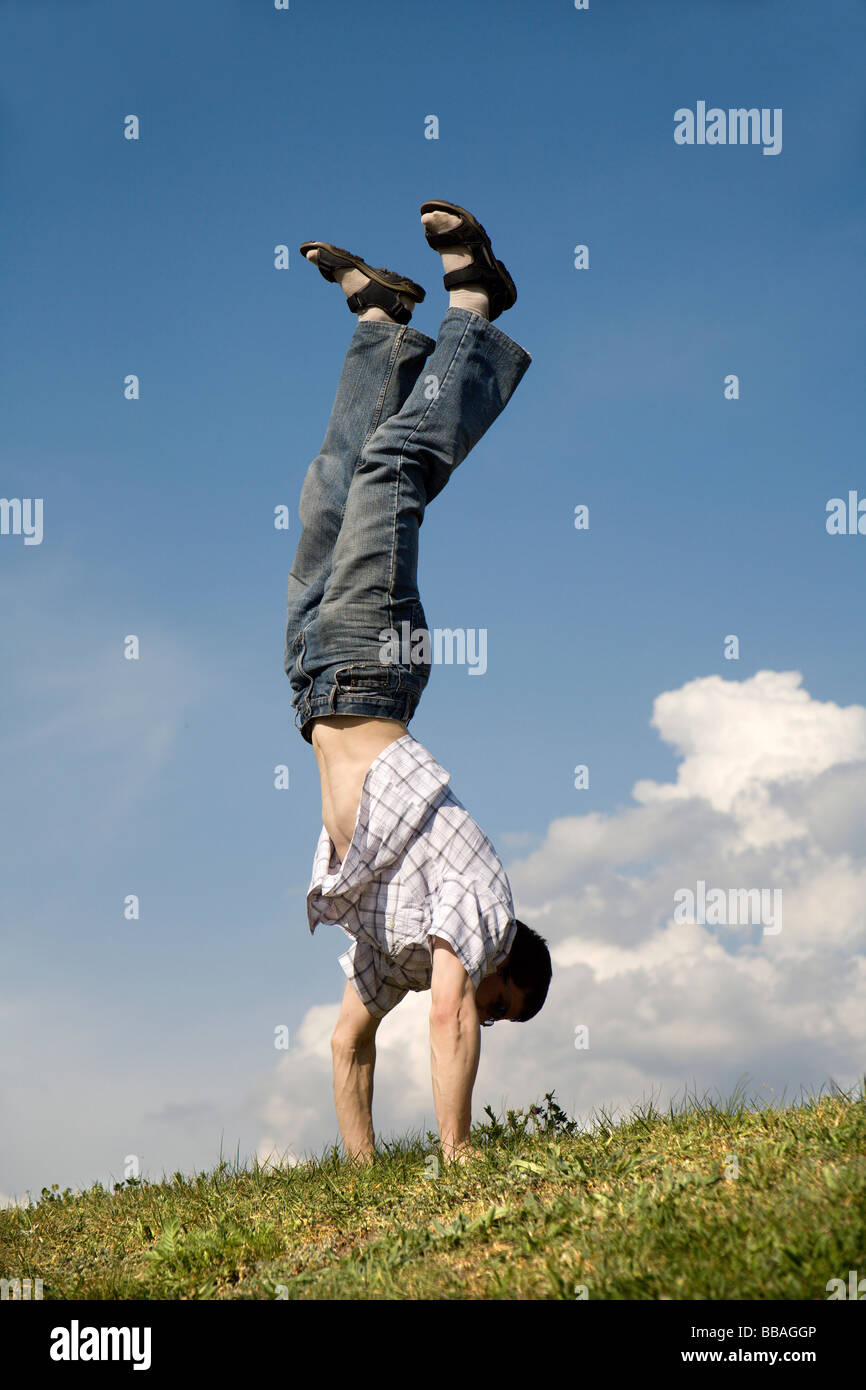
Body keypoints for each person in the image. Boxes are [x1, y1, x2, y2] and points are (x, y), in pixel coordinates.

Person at [283, 201, 552, 1164]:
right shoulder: (480, 904)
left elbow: (349, 1045)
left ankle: (382, 327)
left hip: (314, 681)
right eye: (504, 1012)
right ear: (508, 975)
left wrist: (360, 1179)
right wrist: (457, 1153)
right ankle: (476, 306)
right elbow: (451, 1021)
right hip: (371, 667)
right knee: (394, 472)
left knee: (333, 482)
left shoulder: (394, 943)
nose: (485, 1011)